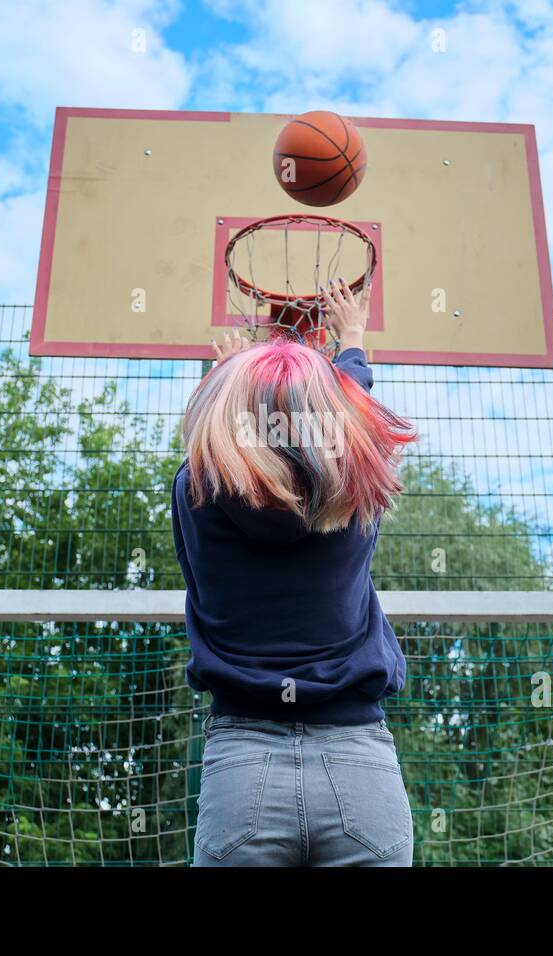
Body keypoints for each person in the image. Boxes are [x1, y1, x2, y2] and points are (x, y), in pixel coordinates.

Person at [171, 278, 418, 866]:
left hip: (243, 771)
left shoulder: (195, 488)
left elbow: (225, 444)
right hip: (360, 767)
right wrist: (351, 342)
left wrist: (232, 380)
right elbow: (354, 432)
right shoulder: (361, 482)